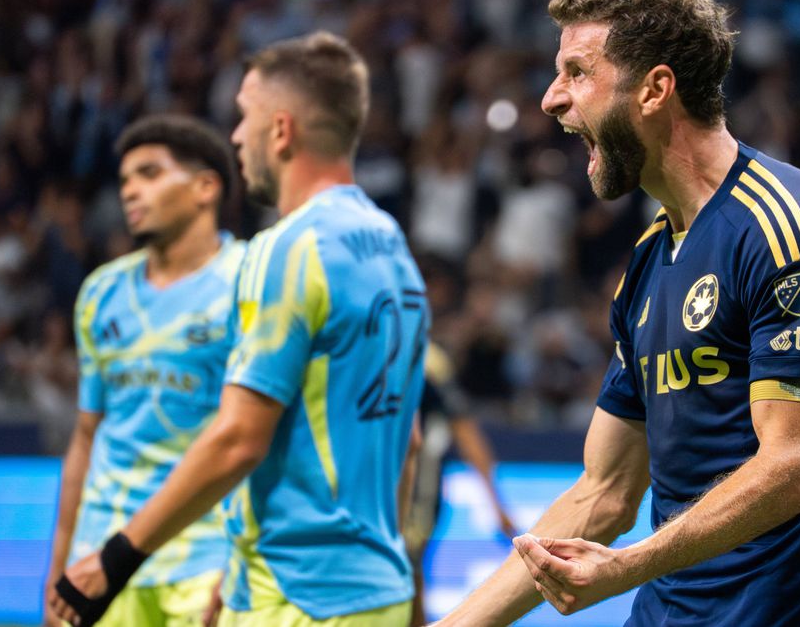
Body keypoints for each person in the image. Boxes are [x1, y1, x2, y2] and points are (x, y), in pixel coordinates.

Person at [439, 0, 800, 625]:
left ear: (655, 89)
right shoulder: (650, 260)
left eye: (578, 72)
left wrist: (627, 567)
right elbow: (606, 490)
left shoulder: (788, 227)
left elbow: (791, 468)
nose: (551, 99)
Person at [51, 31, 429, 627]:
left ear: (280, 130)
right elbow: (408, 441)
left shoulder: (286, 249)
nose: (234, 137)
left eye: (243, 117)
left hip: (294, 593)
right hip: (376, 588)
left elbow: (238, 438)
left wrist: (115, 558)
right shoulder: (391, 246)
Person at [43, 114, 245, 627]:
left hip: (205, 560)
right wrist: (59, 566)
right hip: (101, 560)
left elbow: (261, 439)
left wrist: (241, 563)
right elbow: (86, 437)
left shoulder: (252, 282)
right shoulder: (100, 294)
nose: (131, 191)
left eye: (150, 174)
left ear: (206, 187)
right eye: (126, 179)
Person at [402, 341, 517, 626]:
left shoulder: (427, 360)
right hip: (371, 489)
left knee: (406, 569)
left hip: (416, 489)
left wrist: (496, 502)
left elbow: (463, 428)